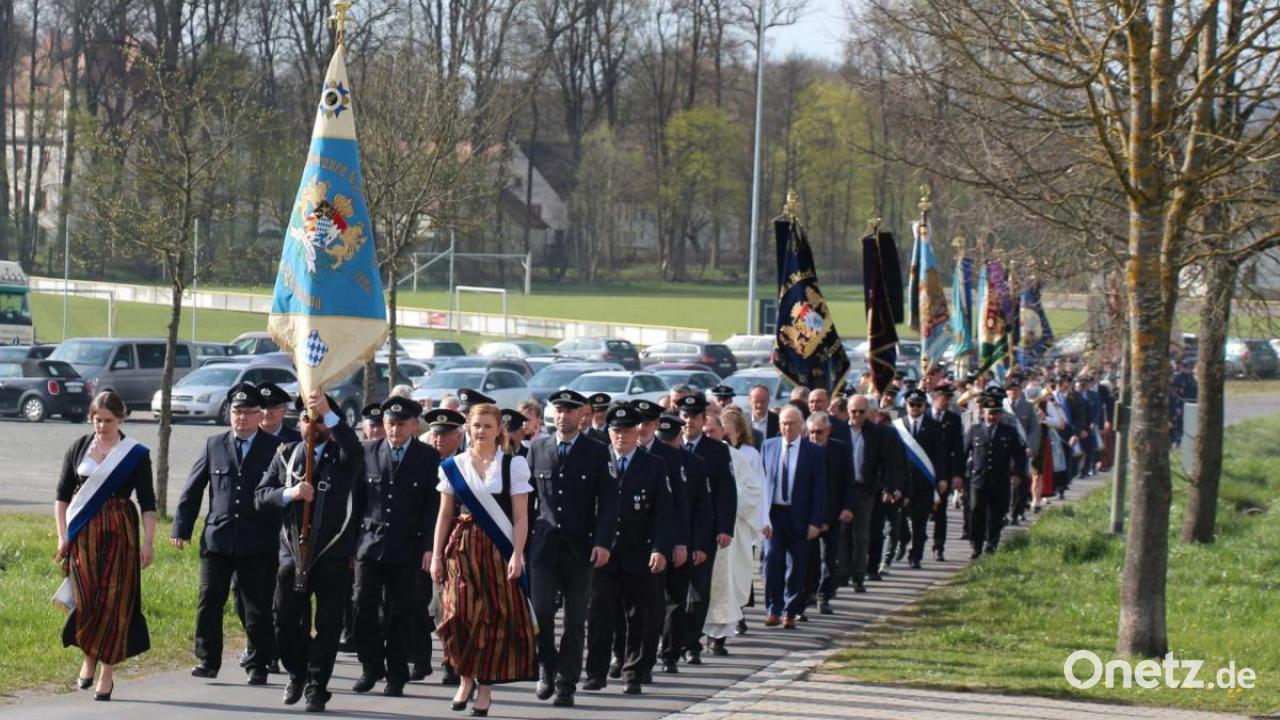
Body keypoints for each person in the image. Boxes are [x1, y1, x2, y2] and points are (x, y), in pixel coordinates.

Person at [256, 390, 366, 713]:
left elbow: (356, 451)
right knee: (285, 621)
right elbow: (260, 497)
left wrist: (329, 413)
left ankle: (317, 686)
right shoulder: (285, 454)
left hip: (331, 555)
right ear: (299, 421)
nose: (311, 423)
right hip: (293, 555)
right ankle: (297, 671)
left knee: (329, 625)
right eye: (306, 418)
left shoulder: (341, 454)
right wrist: (289, 493)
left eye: (317, 419)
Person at [171, 383, 283, 685]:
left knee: (256, 606)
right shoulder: (214, 444)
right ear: (229, 414)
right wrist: (182, 527)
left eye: (248, 413)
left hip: (257, 540)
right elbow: (193, 488)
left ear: (260, 415)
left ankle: (259, 662)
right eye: (237, 412)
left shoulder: (276, 449)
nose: (242, 418)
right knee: (209, 601)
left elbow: (283, 496)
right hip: (218, 538)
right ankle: (207, 659)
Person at [432, 404, 537, 717]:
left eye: (488, 426)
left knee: (492, 619)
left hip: (497, 550)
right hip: (461, 548)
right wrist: (437, 555)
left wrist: (517, 554)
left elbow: (520, 517)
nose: (481, 431)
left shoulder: (512, 466)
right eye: (476, 425)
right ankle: (465, 677)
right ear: (467, 426)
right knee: (454, 614)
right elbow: (445, 513)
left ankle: (485, 688)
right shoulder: (454, 465)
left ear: (499, 430)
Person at [55, 390, 156, 702]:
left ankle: (106, 673)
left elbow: (148, 503)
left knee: (115, 602)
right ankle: (88, 657)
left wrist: (149, 542)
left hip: (120, 533)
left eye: (108, 421)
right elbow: (61, 497)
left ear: (121, 419)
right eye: (97, 420)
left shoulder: (135, 454)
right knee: (85, 599)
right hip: (83, 534)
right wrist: (62, 536)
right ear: (91, 418)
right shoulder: (79, 448)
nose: (102, 426)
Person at [528, 389, 619, 707]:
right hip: (543, 547)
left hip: (580, 548)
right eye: (558, 410)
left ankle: (566, 683)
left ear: (582, 414)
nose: (563, 416)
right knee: (540, 612)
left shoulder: (597, 451)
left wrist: (603, 542)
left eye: (569, 410)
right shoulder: (537, 447)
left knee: (575, 619)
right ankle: (546, 667)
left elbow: (609, 502)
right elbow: (527, 501)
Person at [352, 398, 442, 697]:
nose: (394, 430)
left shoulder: (428, 457)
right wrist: (351, 546)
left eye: (401, 424)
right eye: (389, 424)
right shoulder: (367, 452)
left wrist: (430, 546)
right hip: (370, 545)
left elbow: (433, 506)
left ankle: (397, 674)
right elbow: (356, 503)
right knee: (363, 608)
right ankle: (370, 666)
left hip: (407, 548)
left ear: (415, 425)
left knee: (400, 613)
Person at [583, 403, 672, 695]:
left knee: (639, 615)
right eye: (616, 430)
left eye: (627, 431)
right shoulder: (598, 461)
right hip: (603, 550)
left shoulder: (654, 465)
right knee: (600, 613)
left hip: (639, 550)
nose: (621, 436)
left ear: (638, 433)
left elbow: (663, 512)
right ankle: (596, 671)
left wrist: (660, 548)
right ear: (608, 432)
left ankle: (634, 671)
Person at [675, 393, 736, 663]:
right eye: (684, 417)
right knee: (673, 592)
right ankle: (671, 642)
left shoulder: (717, 450)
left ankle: (691, 644)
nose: (688, 422)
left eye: (694, 417)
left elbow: (726, 492)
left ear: (703, 420)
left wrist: (725, 527)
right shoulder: (670, 447)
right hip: (675, 530)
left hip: (704, 531)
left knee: (698, 592)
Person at [759, 405, 825, 628]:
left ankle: (790, 610)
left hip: (799, 515)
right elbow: (761, 483)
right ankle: (773, 609)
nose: (787, 427)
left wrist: (815, 522)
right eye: (784, 423)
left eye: (792, 423)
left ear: (801, 426)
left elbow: (819, 489)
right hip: (774, 515)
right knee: (772, 560)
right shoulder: (768, 446)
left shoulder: (813, 452)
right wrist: (761, 517)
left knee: (796, 565)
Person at [700, 411, 762, 651]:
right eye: (704, 433)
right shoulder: (690, 455)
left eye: (712, 432)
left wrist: (728, 495)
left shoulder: (735, 458)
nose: (708, 436)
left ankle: (718, 638)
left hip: (728, 532)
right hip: (699, 532)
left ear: (721, 432)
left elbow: (753, 492)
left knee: (724, 586)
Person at [418, 408, 467, 685]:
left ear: (458, 436)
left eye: (445, 435)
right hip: (429, 544)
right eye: (435, 434)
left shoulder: (466, 464)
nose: (438, 440)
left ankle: (453, 661)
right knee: (431, 607)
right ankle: (430, 658)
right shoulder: (425, 462)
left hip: (460, 545)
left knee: (452, 607)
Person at [845, 394, 902, 592]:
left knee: (862, 534)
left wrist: (888, 487)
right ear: (848, 411)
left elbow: (888, 462)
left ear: (868, 412)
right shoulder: (839, 431)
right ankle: (844, 572)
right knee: (843, 534)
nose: (858, 415)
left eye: (862, 411)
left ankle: (859, 576)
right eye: (854, 411)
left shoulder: (878, 433)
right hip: (843, 489)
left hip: (865, 489)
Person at [888, 389, 950, 570]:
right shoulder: (896, 426)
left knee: (920, 521)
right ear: (906, 405)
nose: (915, 408)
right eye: (911, 404)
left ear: (924, 406)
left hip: (923, 482)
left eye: (918, 405)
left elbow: (941, 455)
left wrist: (942, 477)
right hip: (901, 482)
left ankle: (915, 555)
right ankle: (904, 539)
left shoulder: (934, 426)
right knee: (899, 520)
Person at [964, 393, 1028, 557]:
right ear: (983, 413)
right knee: (976, 513)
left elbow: (1020, 455)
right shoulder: (974, 430)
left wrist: (1017, 474)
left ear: (1001, 414)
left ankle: (991, 545)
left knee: (997, 514)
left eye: (996, 413)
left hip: (1000, 479)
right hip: (978, 479)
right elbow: (963, 453)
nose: (992, 416)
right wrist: (958, 476)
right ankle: (976, 546)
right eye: (990, 413)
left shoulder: (1009, 432)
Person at [801, 411, 852, 614]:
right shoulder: (802, 449)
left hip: (833, 512)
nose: (815, 436)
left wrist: (847, 507)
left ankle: (825, 596)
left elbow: (848, 482)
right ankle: (805, 596)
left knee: (829, 558)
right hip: (808, 514)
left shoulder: (840, 450)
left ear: (828, 431)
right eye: (812, 432)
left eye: (820, 432)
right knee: (807, 559)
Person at [929, 383, 965, 561]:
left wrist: (958, 474)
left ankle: (938, 546)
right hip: (923, 470)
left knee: (940, 511)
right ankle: (914, 543)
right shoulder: (924, 414)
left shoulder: (953, 419)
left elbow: (958, 449)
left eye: (949, 398)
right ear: (935, 396)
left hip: (944, 471)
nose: (947, 401)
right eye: (944, 397)